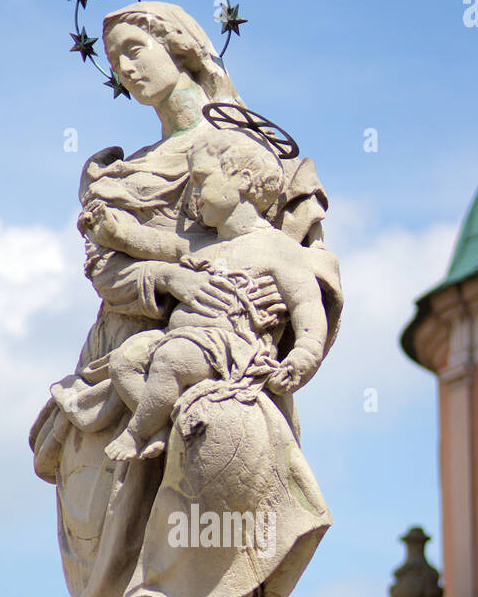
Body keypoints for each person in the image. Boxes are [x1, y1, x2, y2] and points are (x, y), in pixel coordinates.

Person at [30, 1, 341, 597]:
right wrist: (161, 282)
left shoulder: (250, 152)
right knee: (106, 593)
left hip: (215, 377)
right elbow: (107, 271)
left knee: (190, 579)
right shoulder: (115, 174)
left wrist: (266, 349)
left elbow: (296, 270)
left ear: (182, 48)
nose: (127, 67)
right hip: (116, 374)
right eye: (115, 56)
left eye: (138, 48)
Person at [91, 126, 329, 463]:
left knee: (171, 360)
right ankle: (163, 424)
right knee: (124, 361)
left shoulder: (276, 248)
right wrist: (114, 232)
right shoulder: (202, 245)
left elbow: (306, 306)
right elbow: (151, 243)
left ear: (243, 180)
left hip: (229, 347)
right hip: (180, 338)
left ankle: (137, 433)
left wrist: (303, 356)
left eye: (202, 180)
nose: (194, 193)